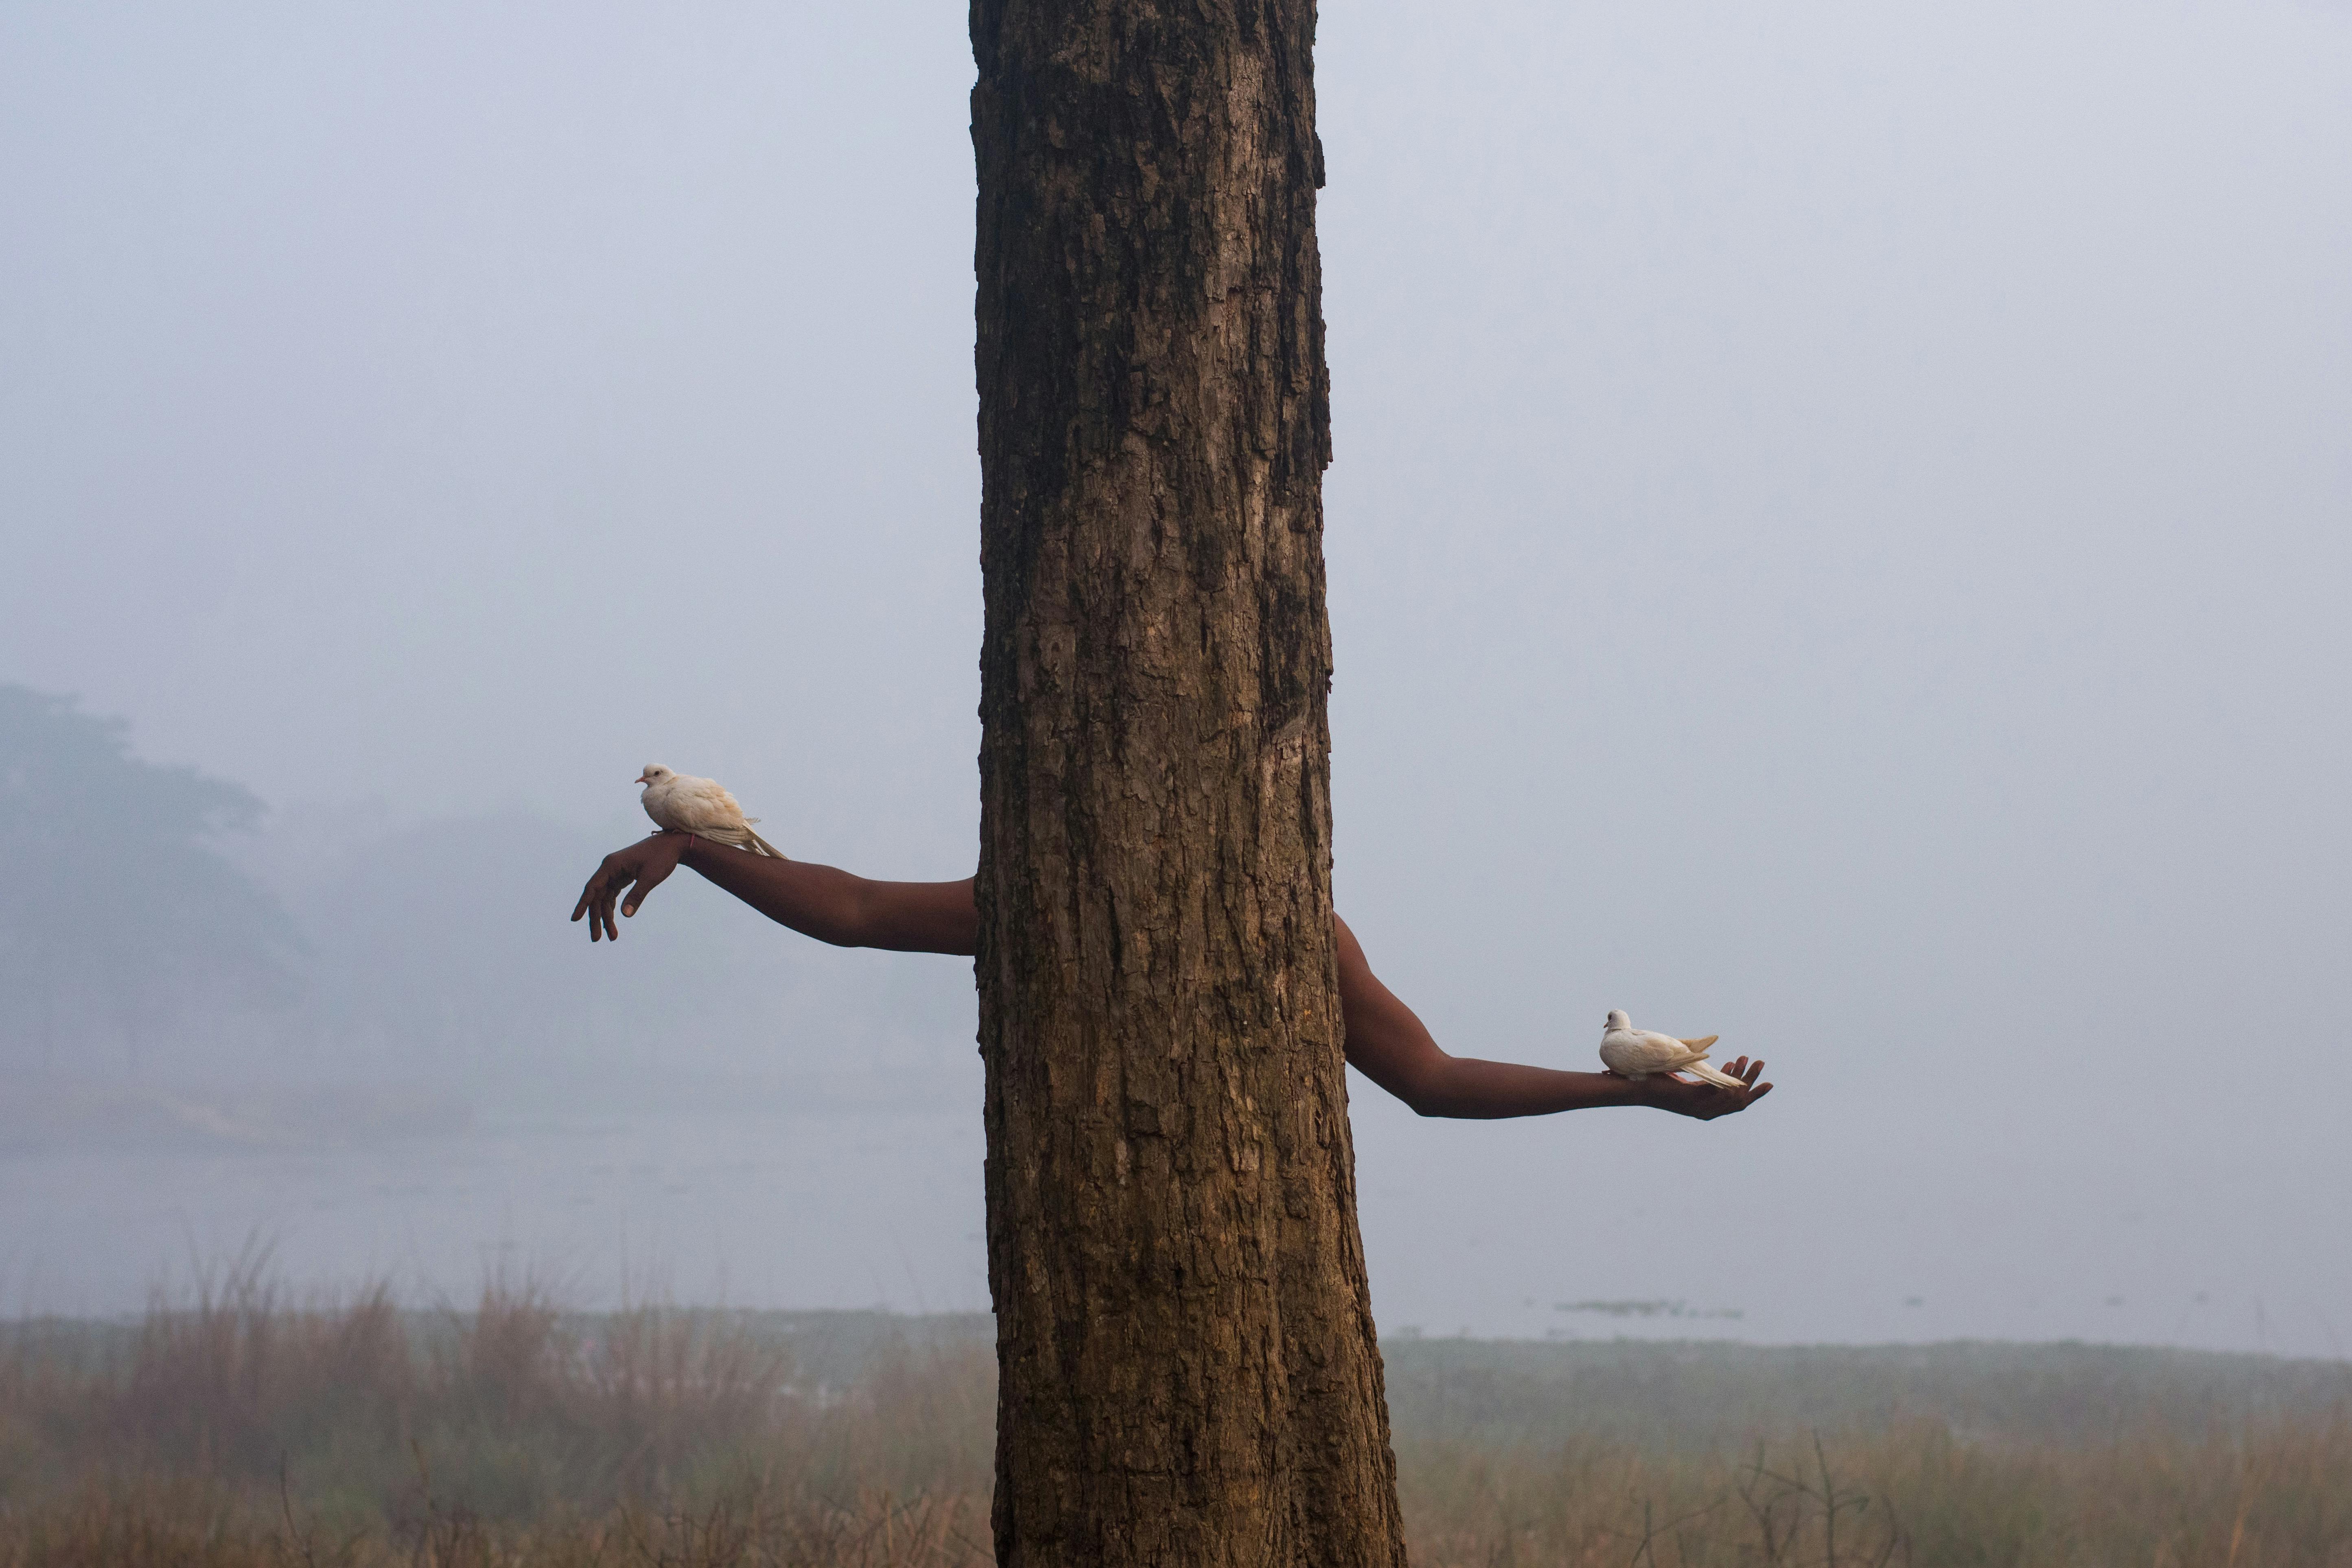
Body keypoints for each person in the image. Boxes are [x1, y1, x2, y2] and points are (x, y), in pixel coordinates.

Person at [572, 831, 1772, 1122]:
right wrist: (694, 846)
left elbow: (1428, 1079)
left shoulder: (1297, 931)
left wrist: (1628, 1093)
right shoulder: (1054, 891)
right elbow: (853, 911)